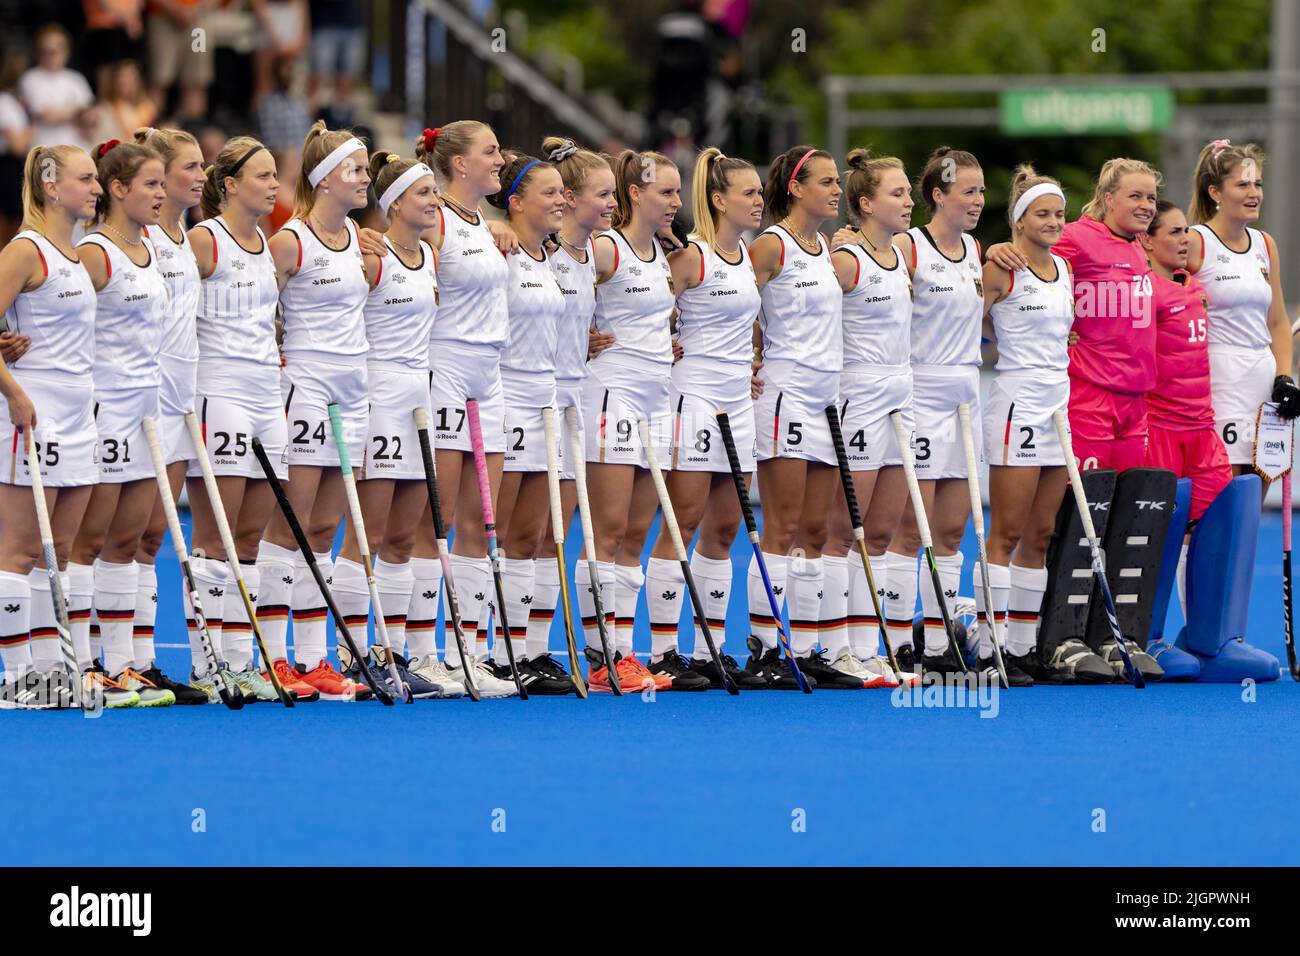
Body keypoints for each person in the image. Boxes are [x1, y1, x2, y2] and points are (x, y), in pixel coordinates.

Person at [187, 134, 315, 703]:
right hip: (222, 393)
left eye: (275, 176)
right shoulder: (203, 241)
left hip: (269, 396)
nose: (274, 186)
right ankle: (204, 664)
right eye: (262, 177)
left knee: (250, 537)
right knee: (214, 537)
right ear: (230, 184)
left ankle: (243, 661)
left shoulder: (266, 243)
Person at [330, 149, 459, 699]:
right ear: (394, 203)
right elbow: (324, 305)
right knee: (368, 534)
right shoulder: (371, 258)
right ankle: (350, 652)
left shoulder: (428, 256)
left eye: (434, 192)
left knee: (404, 538)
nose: (435, 202)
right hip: (378, 397)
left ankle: (393, 651)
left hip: (418, 402)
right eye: (425, 193)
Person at [258, 120, 374, 700]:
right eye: (354, 170)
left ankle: (313, 657)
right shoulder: (290, 240)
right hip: (304, 387)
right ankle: (274, 657)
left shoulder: (358, 237)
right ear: (324, 180)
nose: (364, 179)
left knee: (326, 526)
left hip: (351, 393)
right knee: (290, 526)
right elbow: (255, 308)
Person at [643, 146, 766, 690]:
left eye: (762, 192)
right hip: (693, 399)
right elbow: (647, 307)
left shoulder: (749, 257)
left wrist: (753, 363)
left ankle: (711, 644)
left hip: (739, 403)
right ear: (719, 200)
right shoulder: (692, 257)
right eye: (749, 193)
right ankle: (666, 651)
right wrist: (664, 342)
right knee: (683, 523)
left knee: (724, 529)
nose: (760, 200)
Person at [406, 121, 517, 698]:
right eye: (491, 151)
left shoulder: (484, 224)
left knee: (481, 520)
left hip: (489, 373)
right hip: (445, 368)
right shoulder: (435, 220)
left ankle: (469, 651)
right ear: (457, 165)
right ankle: (424, 655)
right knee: (439, 520)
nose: (501, 159)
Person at [744, 144, 861, 689]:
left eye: (839, 182)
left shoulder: (827, 248)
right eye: (826, 182)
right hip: (786, 393)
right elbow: (736, 307)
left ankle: (810, 646)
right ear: (795, 187)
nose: (838, 190)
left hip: (826, 396)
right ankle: (766, 650)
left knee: (816, 529)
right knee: (783, 526)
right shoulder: (773, 244)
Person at [0, 144, 112, 709]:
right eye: (86, 178)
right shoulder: (26, 250)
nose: (97, 188)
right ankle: (15, 675)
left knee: (60, 551)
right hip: (33, 414)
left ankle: (49, 673)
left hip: (78, 413)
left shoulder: (74, 252)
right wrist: (14, 392)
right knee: (19, 550)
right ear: (51, 187)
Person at [67, 138, 178, 706]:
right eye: (152, 185)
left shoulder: (152, 249)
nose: (162, 194)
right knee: (88, 541)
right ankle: (81, 666)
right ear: (118, 189)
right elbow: (51, 317)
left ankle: (127, 665)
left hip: (146, 408)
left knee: (132, 541)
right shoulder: (94, 253)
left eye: (164, 183)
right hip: (104, 408)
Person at [478, 150, 585, 695]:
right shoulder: (500, 249)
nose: (561, 201)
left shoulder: (549, 256)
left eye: (563, 192)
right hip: (508, 397)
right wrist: (493, 226)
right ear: (516, 202)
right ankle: (494, 653)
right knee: (511, 533)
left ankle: (531, 651)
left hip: (546, 398)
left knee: (542, 535)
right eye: (549, 193)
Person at [577, 147, 684, 692]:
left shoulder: (663, 254)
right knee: (608, 530)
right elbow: (557, 281)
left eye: (679, 192)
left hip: (656, 397)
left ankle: (620, 649)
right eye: (666, 192)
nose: (676, 202)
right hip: (612, 393)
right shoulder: (606, 248)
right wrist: (578, 339)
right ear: (635, 194)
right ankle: (601, 655)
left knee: (637, 532)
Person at [987, 158, 1160, 474]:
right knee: (1082, 513)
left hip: (1136, 402)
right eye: (1135, 196)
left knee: (1125, 513)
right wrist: (997, 249)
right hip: (1089, 396)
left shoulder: (1139, 243)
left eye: (1151, 198)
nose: (1146, 205)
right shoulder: (1076, 236)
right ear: (1109, 198)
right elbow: (1027, 255)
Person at [887, 146, 985, 676]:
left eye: (981, 190)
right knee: (912, 530)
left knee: (950, 533)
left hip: (965, 396)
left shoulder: (976, 250)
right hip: (920, 393)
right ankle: (899, 639)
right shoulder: (909, 246)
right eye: (967, 191)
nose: (978, 200)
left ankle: (939, 637)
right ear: (938, 195)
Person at [977, 164, 1075, 686]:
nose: (1054, 222)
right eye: (1042, 213)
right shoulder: (1001, 269)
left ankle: (1022, 647)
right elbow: (961, 321)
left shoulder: (1065, 271)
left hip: (1058, 408)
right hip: (1016, 405)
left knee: (1040, 534)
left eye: (1059, 213)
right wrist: (990, 250)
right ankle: (990, 644)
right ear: (1018, 220)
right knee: (1008, 531)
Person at [823, 148, 916, 687]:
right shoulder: (845, 260)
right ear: (865, 203)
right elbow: (793, 312)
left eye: (907, 192)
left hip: (900, 398)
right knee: (844, 531)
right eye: (897, 194)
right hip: (858, 396)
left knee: (880, 531)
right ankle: (835, 648)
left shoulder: (900, 256)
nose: (908, 202)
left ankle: (867, 646)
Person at [528, 136, 618, 686]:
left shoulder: (589, 258)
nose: (612, 205)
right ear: (571, 199)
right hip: (531, 398)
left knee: (556, 533)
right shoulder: (542, 252)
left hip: (572, 399)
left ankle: (537, 650)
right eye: (603, 195)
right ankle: (510, 648)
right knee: (531, 532)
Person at [125, 126, 209, 704]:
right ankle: (116, 661)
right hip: (140, 400)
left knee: (156, 532)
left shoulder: (189, 236)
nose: (200, 175)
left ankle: (146, 661)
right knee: (121, 536)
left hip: (184, 399)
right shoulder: (139, 236)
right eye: (189, 167)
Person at [1139, 199, 1232, 673]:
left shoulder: (1195, 287)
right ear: (1147, 240)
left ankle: (1208, 637)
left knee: (1219, 513)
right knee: (1160, 534)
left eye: (1185, 232)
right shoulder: (1144, 292)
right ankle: (1147, 637)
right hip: (1162, 429)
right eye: (1173, 232)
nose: (1183, 240)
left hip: (1202, 427)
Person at [1185, 140, 1298, 474]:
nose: (1254, 193)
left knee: (1253, 500)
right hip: (1218, 380)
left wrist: (1284, 377)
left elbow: (1277, 322)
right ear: (1216, 193)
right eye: (1243, 184)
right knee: (1222, 495)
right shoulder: (1194, 241)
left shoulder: (1266, 244)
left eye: (1258, 184)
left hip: (1262, 381)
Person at [19, 25, 94, 149]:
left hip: (78, 148)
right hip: (46, 150)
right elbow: (49, 116)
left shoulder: (76, 78)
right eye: (45, 50)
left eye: (56, 50)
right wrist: (78, 110)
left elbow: (91, 116)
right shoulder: (30, 78)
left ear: (67, 52)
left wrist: (69, 112)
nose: (50, 54)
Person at [146, 0, 217, 121]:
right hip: (162, 17)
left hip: (199, 22)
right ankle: (150, 128)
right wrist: (176, 10)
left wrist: (196, 10)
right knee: (159, 79)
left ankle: (192, 129)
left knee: (196, 81)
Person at [93, 60, 156, 144]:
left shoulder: (147, 107)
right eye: (120, 76)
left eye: (129, 76)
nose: (123, 80)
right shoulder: (104, 107)